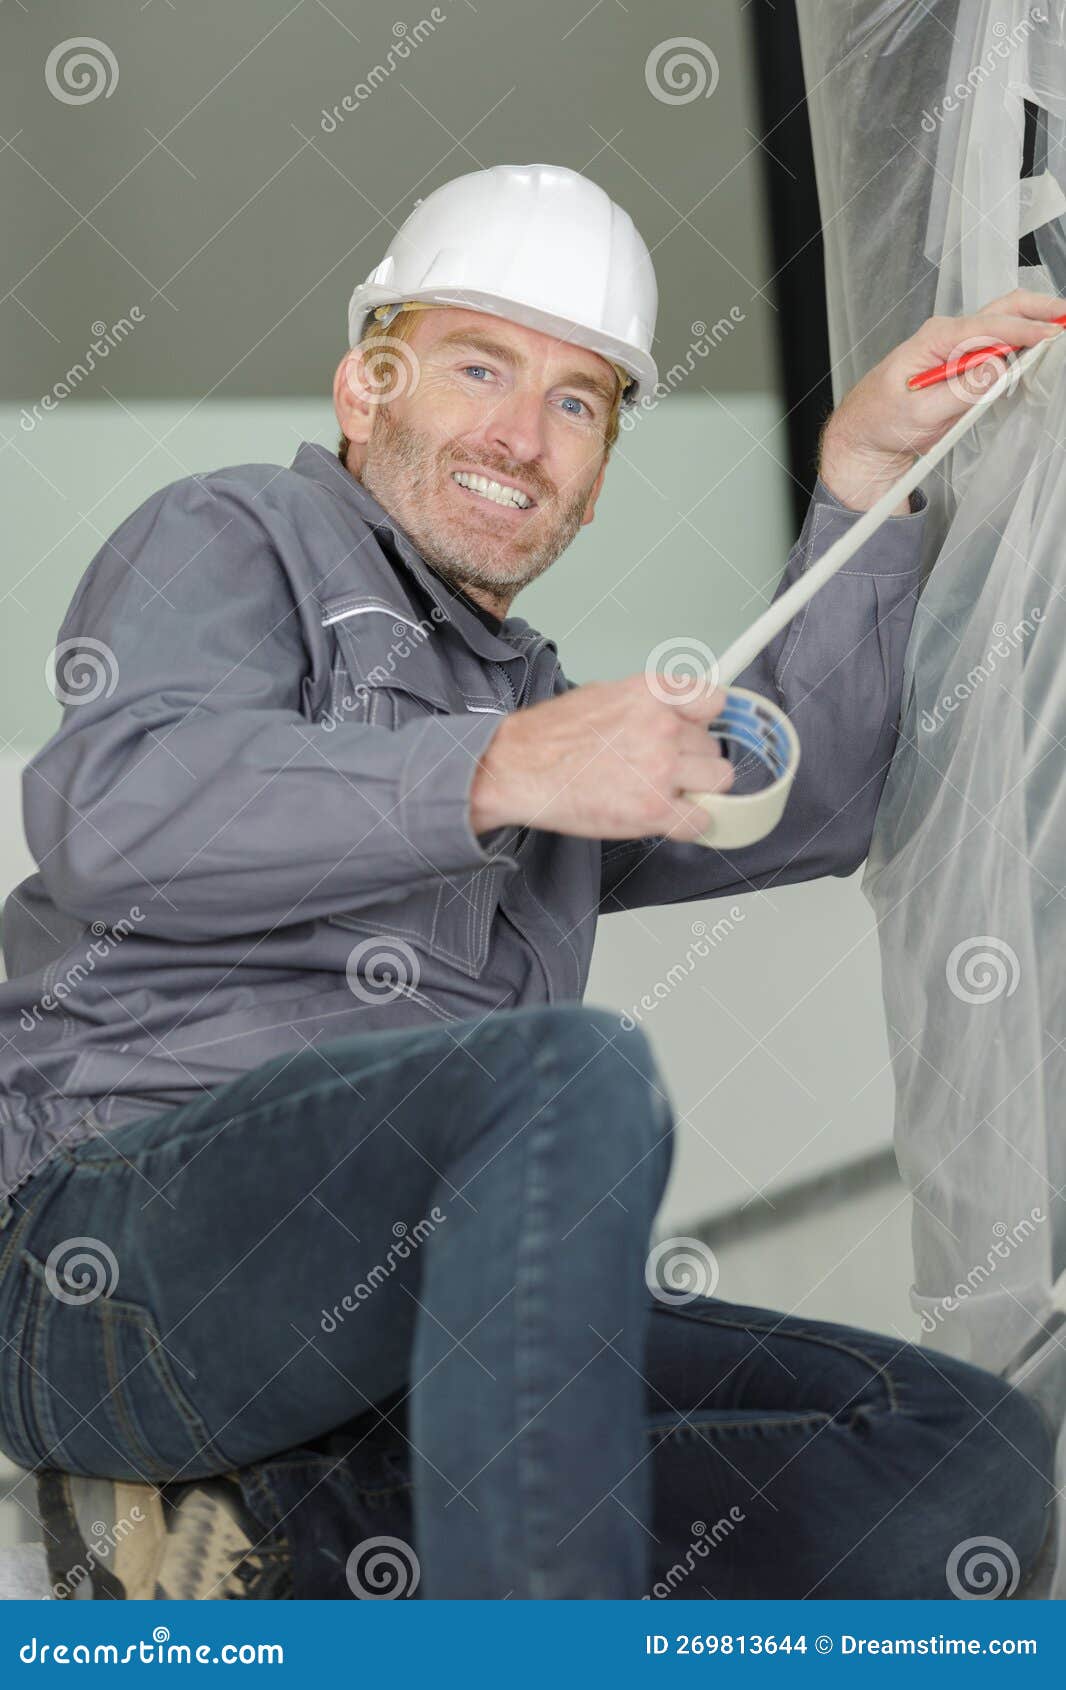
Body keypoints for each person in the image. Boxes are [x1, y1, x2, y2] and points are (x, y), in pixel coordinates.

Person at [0, 164, 1057, 1600]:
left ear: (602, 465)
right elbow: (114, 808)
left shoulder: (523, 692)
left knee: (958, 1452)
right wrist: (501, 766)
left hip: (400, 1336)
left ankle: (272, 1543)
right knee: (562, 1077)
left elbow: (800, 800)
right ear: (365, 388)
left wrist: (861, 479)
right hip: (111, 1274)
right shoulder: (239, 535)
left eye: (577, 401)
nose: (524, 433)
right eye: (477, 365)